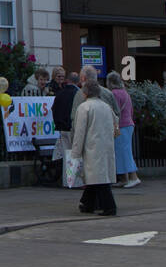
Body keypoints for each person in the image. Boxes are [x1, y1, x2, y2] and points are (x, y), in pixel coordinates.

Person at [71, 79, 119, 216]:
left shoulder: (84, 108)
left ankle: (109, 207)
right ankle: (87, 204)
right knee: (95, 178)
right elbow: (116, 123)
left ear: (85, 93)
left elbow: (79, 132)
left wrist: (75, 153)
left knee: (98, 179)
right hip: (106, 145)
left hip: (91, 147)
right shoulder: (106, 106)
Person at [106, 71, 140, 187]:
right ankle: (124, 178)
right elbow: (130, 111)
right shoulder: (125, 93)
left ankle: (133, 177)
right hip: (128, 124)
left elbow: (114, 111)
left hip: (121, 125)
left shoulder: (114, 93)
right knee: (124, 151)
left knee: (123, 152)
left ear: (110, 82)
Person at [51, 71, 79, 160]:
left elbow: (53, 109)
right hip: (73, 128)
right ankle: (71, 174)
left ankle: (66, 173)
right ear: (78, 82)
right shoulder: (78, 93)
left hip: (62, 128)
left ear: (67, 80)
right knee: (74, 157)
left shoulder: (60, 93)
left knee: (66, 156)